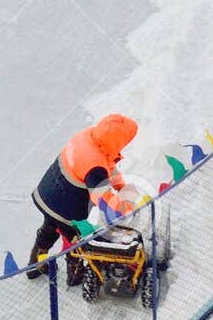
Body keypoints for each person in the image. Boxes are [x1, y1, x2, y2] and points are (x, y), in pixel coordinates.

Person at [29, 113, 137, 283]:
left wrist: (121, 186)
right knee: (77, 241)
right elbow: (102, 198)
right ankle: (75, 275)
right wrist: (126, 206)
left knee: (49, 228)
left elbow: (106, 166)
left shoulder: (89, 137)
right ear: (117, 141)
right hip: (65, 207)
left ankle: (34, 264)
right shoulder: (94, 166)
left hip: (47, 192)